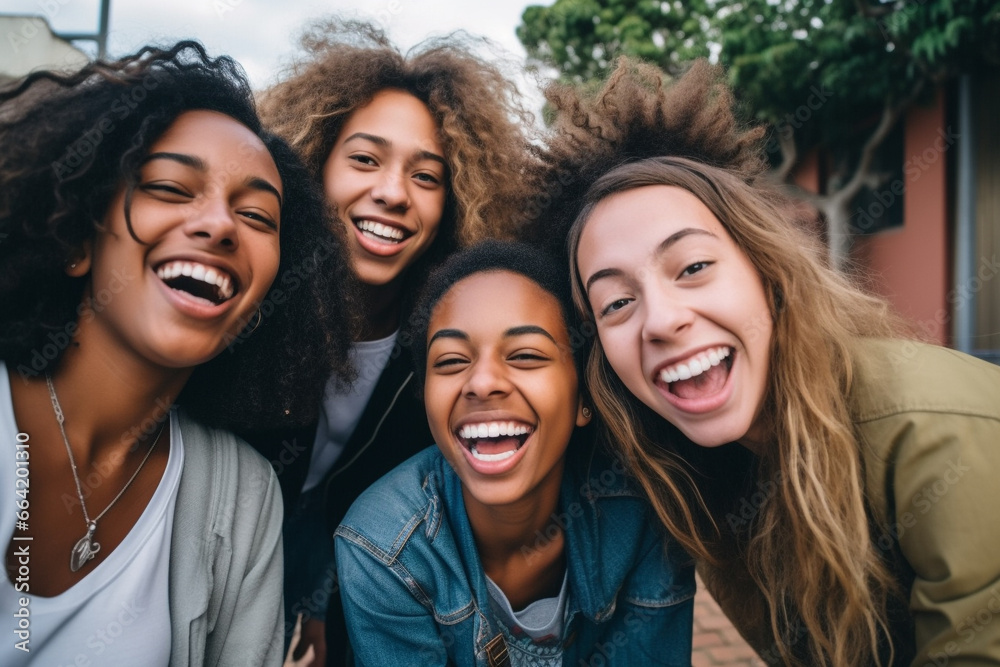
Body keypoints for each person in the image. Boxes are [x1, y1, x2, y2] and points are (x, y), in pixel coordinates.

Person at [541, 58, 1000, 666]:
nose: (661, 320)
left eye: (693, 267)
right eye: (617, 303)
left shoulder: (934, 430)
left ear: (770, 273)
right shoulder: (702, 483)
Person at [0, 41, 354, 666]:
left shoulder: (245, 497)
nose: (220, 225)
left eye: (257, 216)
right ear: (77, 239)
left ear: (260, 306)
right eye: (170, 187)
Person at [248, 19, 538, 665]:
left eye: (426, 176)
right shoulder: (251, 305)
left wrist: (326, 599)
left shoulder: (443, 349)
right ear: (312, 165)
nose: (392, 193)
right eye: (364, 159)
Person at [334, 240, 695, 666]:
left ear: (584, 398)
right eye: (451, 361)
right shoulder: (382, 548)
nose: (482, 383)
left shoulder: (646, 510)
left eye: (525, 355)